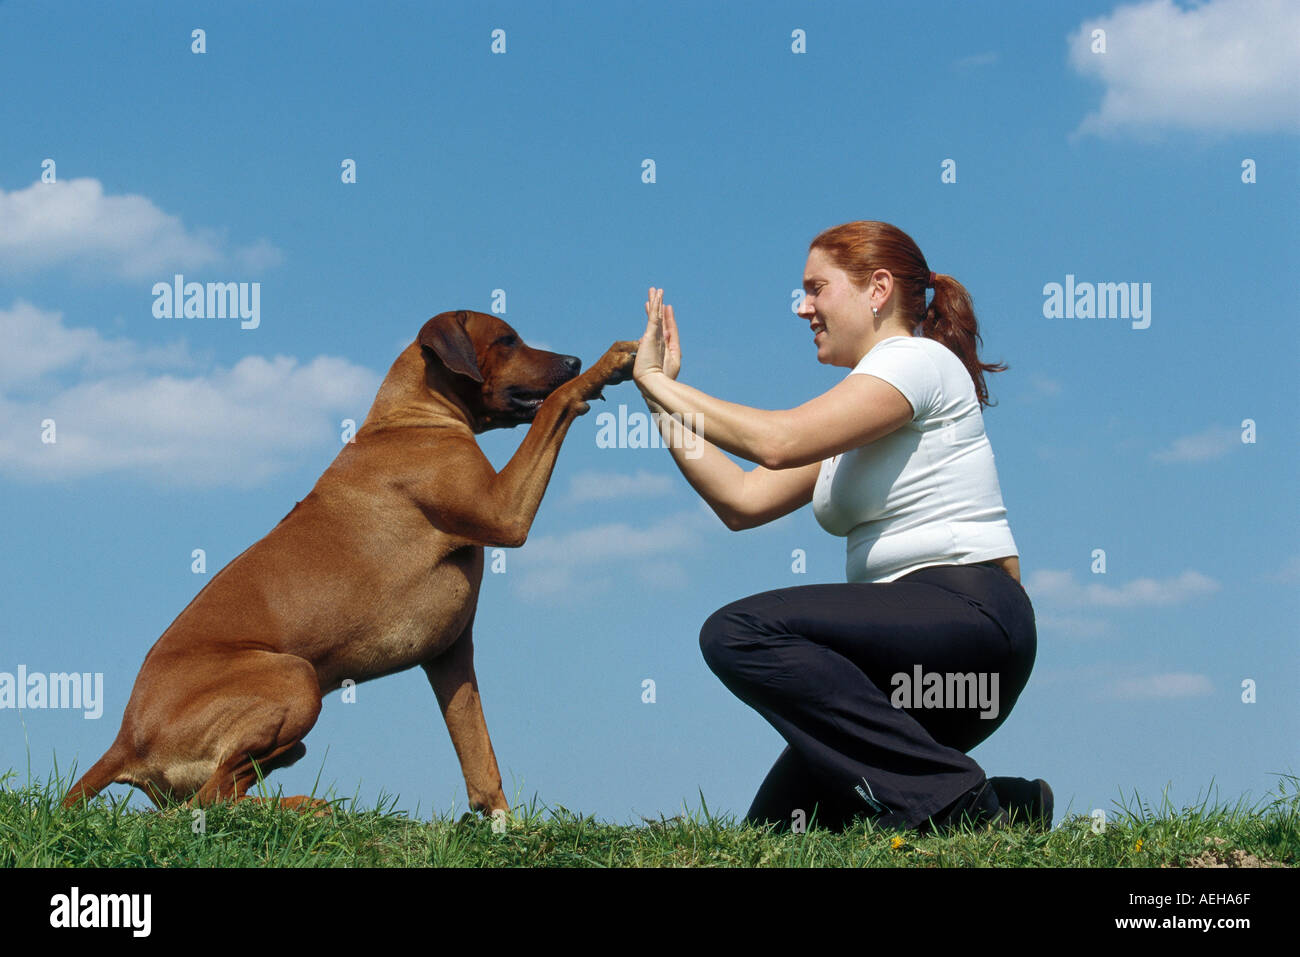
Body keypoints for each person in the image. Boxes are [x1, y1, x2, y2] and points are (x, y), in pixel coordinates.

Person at [630, 220, 1050, 835]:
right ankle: (1010, 807)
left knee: (738, 632)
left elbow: (777, 441)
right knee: (780, 834)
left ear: (877, 289)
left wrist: (662, 382)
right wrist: (660, 403)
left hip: (972, 625)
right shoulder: (853, 421)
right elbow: (741, 501)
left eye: (816, 288)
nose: (804, 307)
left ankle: (963, 804)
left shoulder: (916, 361)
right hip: (909, 675)